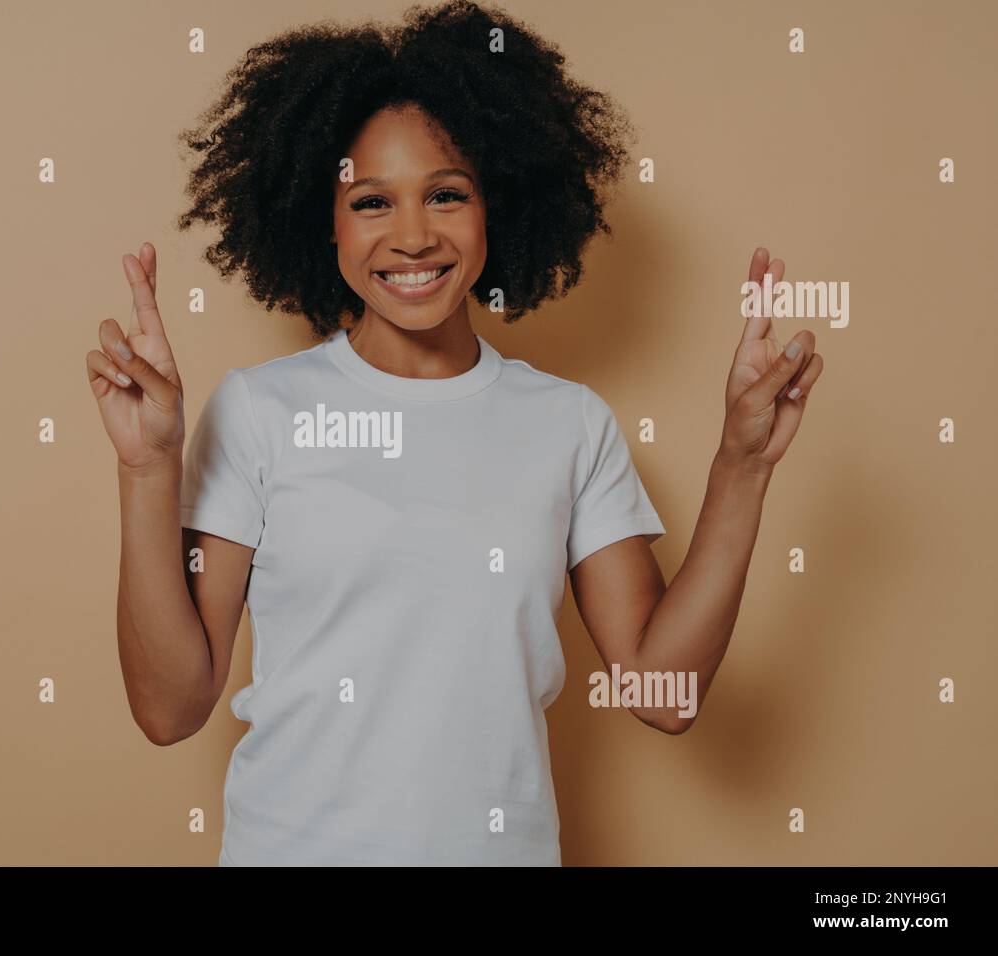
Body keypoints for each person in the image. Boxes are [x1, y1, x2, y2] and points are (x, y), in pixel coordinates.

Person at [85, 0, 823, 866]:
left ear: (493, 205)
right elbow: (170, 711)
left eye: (446, 194)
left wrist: (742, 466)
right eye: (370, 200)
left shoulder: (569, 424)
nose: (412, 235)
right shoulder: (258, 413)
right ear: (324, 222)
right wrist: (146, 471)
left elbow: (665, 695)